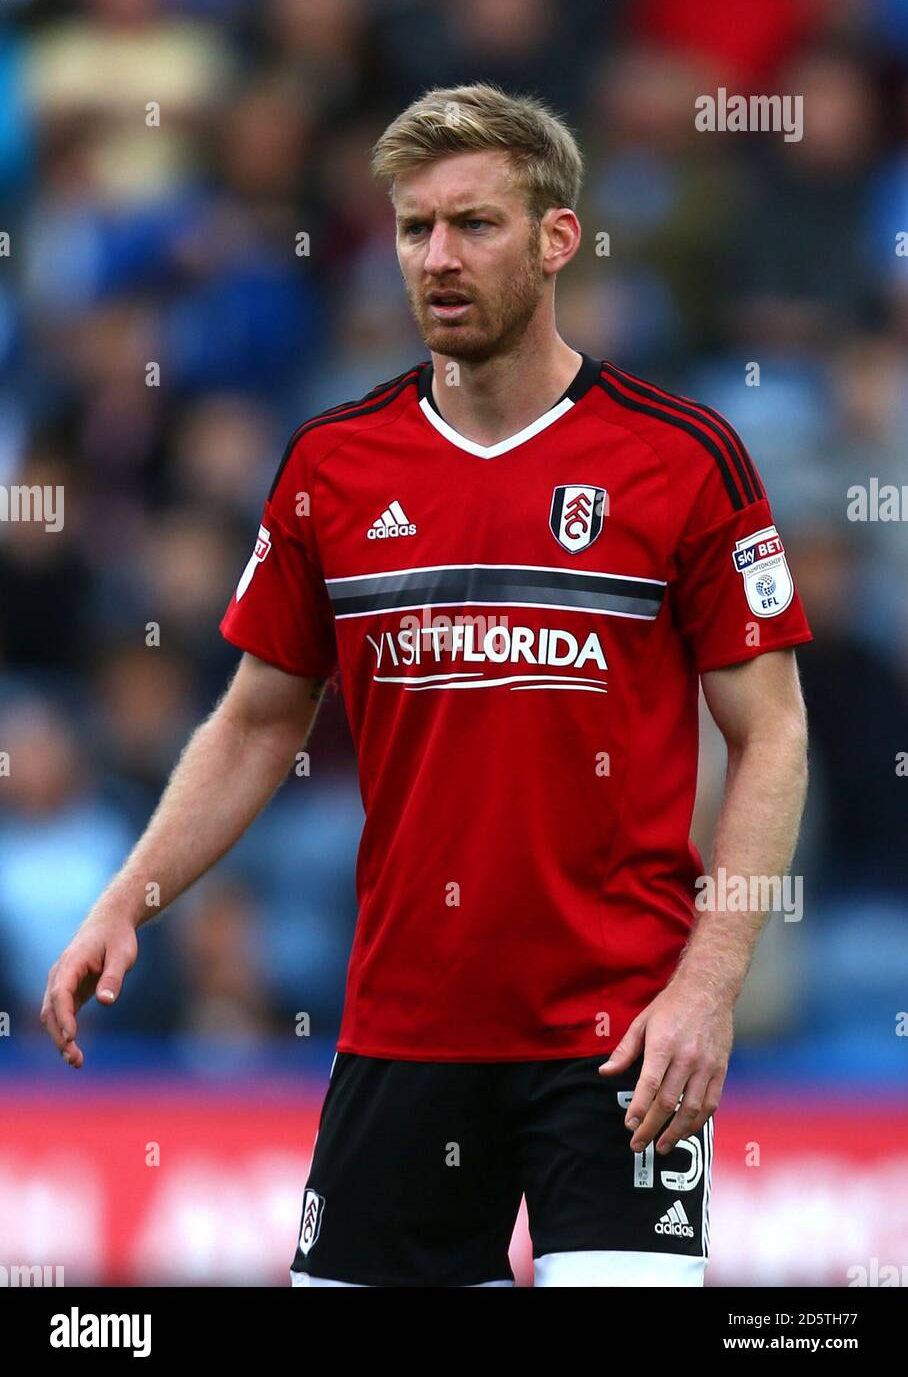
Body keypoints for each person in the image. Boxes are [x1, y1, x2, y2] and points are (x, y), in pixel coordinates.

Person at [41, 83, 812, 1288]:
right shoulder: (332, 467)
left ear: (556, 238)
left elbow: (771, 734)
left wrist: (707, 987)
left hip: (614, 1033)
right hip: (404, 1026)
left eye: (474, 224)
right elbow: (256, 718)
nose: (437, 259)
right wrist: (125, 900)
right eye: (414, 229)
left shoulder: (679, 458)